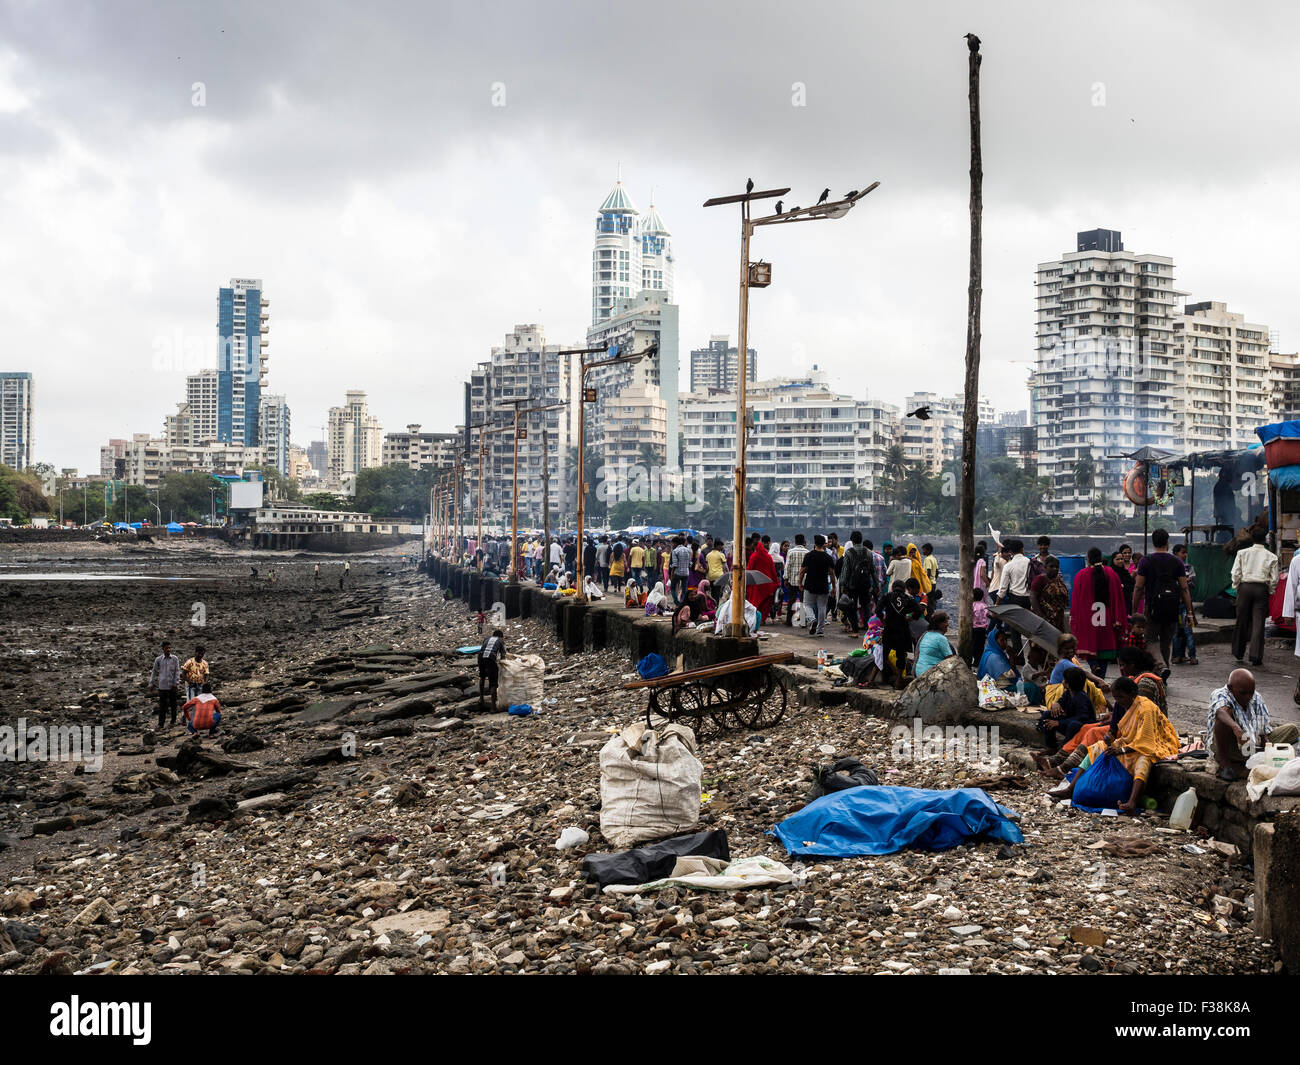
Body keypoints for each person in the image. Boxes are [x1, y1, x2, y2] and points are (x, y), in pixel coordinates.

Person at [1047, 677, 1180, 813]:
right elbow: (1124, 734)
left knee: (1143, 761)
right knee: (1097, 747)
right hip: (1131, 742)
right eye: (1116, 697)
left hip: (1156, 744)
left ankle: (1132, 802)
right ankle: (1070, 789)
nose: (1118, 701)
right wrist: (1110, 740)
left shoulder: (1146, 708)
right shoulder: (1125, 706)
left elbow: (1146, 742)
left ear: (1132, 694)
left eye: (1121, 697)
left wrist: (1120, 750)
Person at [1206, 668, 1300, 781]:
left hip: (1251, 747)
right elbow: (1220, 711)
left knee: (1292, 729)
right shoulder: (1220, 694)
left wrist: (1266, 744)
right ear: (1230, 688)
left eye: (1251, 692)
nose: (1248, 697)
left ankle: (1250, 762)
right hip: (1230, 747)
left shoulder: (1256, 697)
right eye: (1243, 693)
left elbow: (1263, 727)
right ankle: (1225, 765)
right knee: (1223, 720)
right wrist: (1235, 728)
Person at [1133, 528, 1195, 678]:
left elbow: (1139, 587)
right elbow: (1184, 589)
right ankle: (1162, 674)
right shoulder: (1177, 561)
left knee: (1150, 640)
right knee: (1166, 643)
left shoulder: (1145, 561)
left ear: (1153, 542)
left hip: (1152, 608)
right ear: (1167, 542)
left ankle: (1161, 667)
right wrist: (1190, 613)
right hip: (1172, 608)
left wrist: (1134, 610)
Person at [1069, 547, 1128, 676]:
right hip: (1107, 620)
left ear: (1088, 559)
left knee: (1090, 648)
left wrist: (1075, 618)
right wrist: (1118, 618)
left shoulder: (1081, 575)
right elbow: (1119, 599)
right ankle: (1100, 677)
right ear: (1101, 558)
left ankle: (1093, 666)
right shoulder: (1112, 574)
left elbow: (1076, 602)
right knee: (1104, 652)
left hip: (1088, 620)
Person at [1230, 527, 1278, 667]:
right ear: (1264, 539)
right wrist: (1270, 589)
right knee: (1258, 623)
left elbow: (1236, 573)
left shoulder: (1242, 553)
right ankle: (1255, 656)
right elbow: (1274, 579)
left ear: (1252, 538)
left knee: (1241, 620)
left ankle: (1238, 652)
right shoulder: (1271, 556)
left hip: (1245, 587)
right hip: (1261, 588)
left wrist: (1236, 585)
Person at [1037, 666, 1101, 750]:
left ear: (1068, 684)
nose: (1062, 681)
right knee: (1047, 715)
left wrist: (1059, 723)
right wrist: (1056, 704)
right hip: (1070, 721)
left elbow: (1082, 718)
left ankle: (1064, 749)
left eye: (1063, 679)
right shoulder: (1068, 693)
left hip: (1083, 726)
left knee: (1073, 725)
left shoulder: (1081, 697)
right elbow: (1061, 701)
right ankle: (1051, 747)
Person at [880, 581, 923, 688]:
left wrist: (884, 621)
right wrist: (910, 617)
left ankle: (885, 677)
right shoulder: (908, 599)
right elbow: (918, 611)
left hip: (889, 630)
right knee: (901, 656)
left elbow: (877, 611)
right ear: (904, 589)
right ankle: (898, 680)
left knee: (884, 655)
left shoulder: (887, 596)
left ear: (893, 588)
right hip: (902, 631)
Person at [798, 534, 837, 638]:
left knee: (807, 604)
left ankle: (811, 619)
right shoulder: (828, 557)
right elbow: (832, 574)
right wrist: (833, 587)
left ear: (815, 544)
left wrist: (799, 582)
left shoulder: (809, 555)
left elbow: (802, 571)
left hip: (810, 584)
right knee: (822, 607)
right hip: (823, 585)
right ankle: (820, 630)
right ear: (824, 544)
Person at [1171, 543, 1199, 666]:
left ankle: (1192, 656)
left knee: (1188, 631)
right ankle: (1177, 656)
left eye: (1185, 552)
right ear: (1176, 554)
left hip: (1185, 605)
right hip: (1174, 605)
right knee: (1176, 632)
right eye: (1182, 552)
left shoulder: (1189, 567)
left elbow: (1192, 583)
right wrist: (1184, 581)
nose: (1185, 554)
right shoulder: (1170, 566)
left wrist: (1181, 582)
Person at [1029, 555, 1068, 633]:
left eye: (1057, 567)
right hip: (1045, 620)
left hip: (1058, 620)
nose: (1055, 569)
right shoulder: (1040, 580)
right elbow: (1033, 597)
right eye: (1051, 566)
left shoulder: (1059, 580)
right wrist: (1041, 617)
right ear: (1045, 567)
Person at [148, 640, 182, 730]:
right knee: (162, 706)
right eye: (166, 648)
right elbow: (154, 671)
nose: (168, 650)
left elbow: (177, 671)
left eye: (170, 648)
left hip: (172, 686)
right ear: (163, 649)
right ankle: (161, 723)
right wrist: (151, 683)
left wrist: (176, 683)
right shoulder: (158, 659)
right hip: (162, 686)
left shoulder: (175, 659)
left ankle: (173, 721)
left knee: (173, 704)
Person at [745, 535, 778, 621]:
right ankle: (762, 619)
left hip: (756, 584)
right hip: (767, 583)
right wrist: (776, 582)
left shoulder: (754, 556)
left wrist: (746, 581)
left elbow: (749, 569)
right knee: (765, 603)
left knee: (755, 602)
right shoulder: (768, 557)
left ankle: (755, 618)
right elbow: (773, 571)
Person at [914, 611, 955, 676]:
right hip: (929, 673)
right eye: (945, 622)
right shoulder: (940, 638)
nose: (947, 624)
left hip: (918, 671)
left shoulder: (926, 634)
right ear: (938, 624)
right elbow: (950, 660)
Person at [478, 628, 506, 710]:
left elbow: (484, 647)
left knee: (482, 676)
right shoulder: (500, 641)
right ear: (501, 636)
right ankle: (493, 707)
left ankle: (481, 698)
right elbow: (503, 655)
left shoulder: (486, 638)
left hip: (480, 656)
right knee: (493, 682)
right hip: (490, 658)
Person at [783, 534, 808, 624]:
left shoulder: (791, 552)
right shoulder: (807, 552)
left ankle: (789, 620)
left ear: (795, 541)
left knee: (791, 600)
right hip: (804, 581)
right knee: (803, 601)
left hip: (792, 581)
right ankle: (802, 621)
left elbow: (787, 566)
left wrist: (786, 578)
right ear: (803, 541)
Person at [970, 587, 990, 666]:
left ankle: (974, 660)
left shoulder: (972, 605)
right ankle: (979, 660)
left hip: (974, 628)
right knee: (981, 645)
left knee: (973, 645)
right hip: (982, 629)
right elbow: (988, 614)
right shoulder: (984, 605)